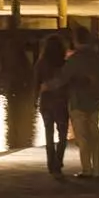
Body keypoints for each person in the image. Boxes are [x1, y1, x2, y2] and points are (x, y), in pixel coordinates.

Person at [55, 26, 99, 178]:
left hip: (78, 100)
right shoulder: (97, 57)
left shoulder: (75, 59)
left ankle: (87, 169)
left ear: (76, 41)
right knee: (95, 136)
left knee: (82, 138)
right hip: (94, 100)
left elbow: (63, 78)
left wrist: (47, 86)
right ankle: (98, 169)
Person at [34, 34, 70, 177]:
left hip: (46, 102)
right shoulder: (64, 64)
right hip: (61, 102)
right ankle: (58, 162)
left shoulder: (40, 64)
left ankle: (51, 163)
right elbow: (68, 82)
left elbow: (35, 84)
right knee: (62, 134)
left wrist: (34, 100)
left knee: (48, 133)